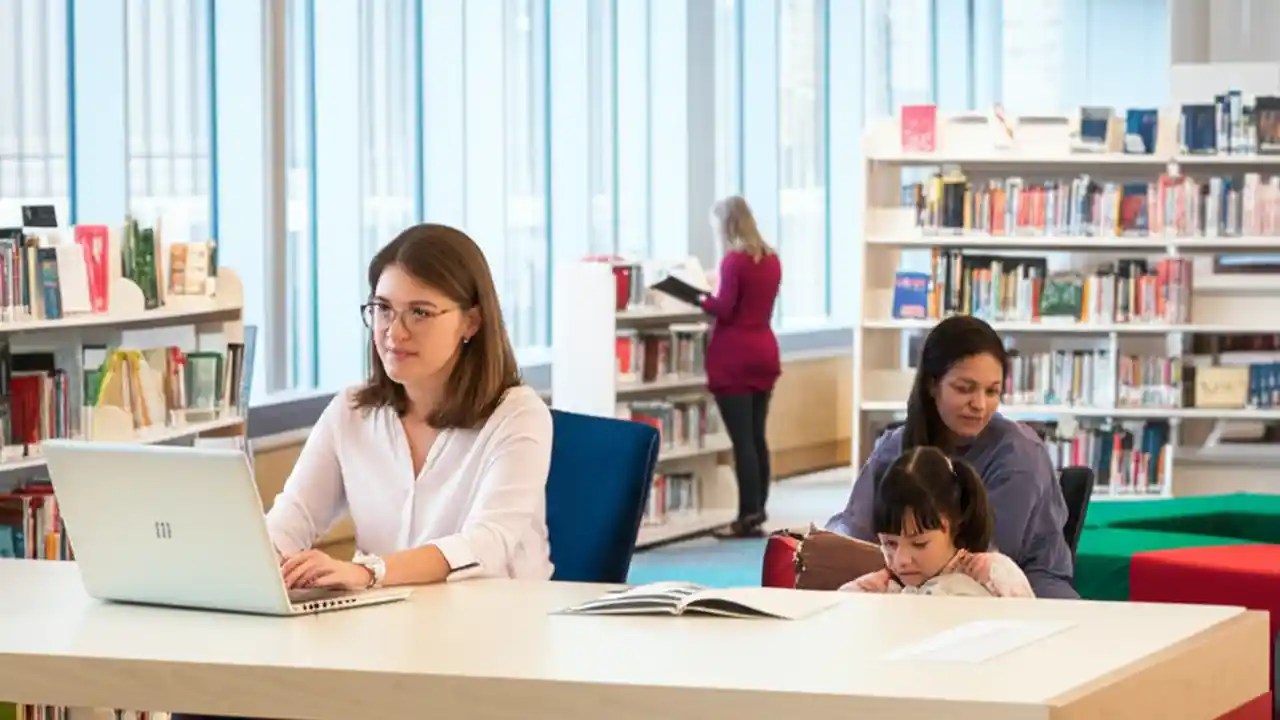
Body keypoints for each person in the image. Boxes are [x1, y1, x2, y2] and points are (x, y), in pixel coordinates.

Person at [169, 224, 554, 717]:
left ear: (471, 322)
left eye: (420, 312)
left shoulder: (517, 414)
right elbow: (291, 520)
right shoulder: (353, 410)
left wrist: (366, 572)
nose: (394, 331)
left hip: (490, 651)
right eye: (383, 308)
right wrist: (239, 571)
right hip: (382, 642)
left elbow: (486, 543)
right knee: (209, 698)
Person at [826, 315, 1078, 599]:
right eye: (964, 388)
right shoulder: (894, 447)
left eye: (992, 391)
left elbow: (983, 555)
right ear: (932, 385)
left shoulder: (1019, 454)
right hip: (915, 590)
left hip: (1022, 594)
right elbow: (852, 529)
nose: (980, 405)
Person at [839, 446, 1033, 598]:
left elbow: (1032, 630)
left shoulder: (993, 574)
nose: (901, 561)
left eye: (919, 544)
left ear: (955, 526)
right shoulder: (880, 588)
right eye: (890, 544)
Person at [697, 195, 782, 539]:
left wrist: (700, 299)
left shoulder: (733, 262)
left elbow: (725, 307)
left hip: (734, 356)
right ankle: (759, 508)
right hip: (764, 350)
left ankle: (746, 516)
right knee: (757, 437)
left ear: (727, 225)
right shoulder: (772, 260)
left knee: (741, 441)